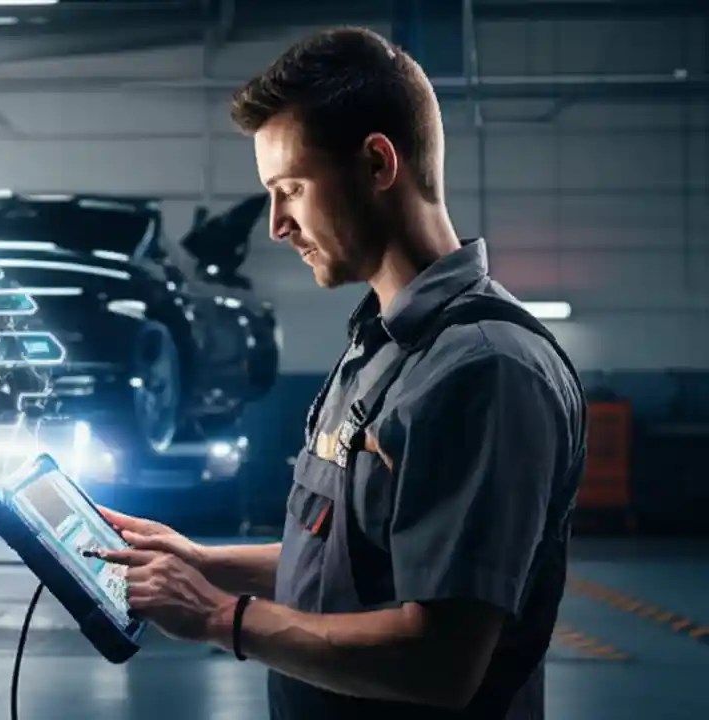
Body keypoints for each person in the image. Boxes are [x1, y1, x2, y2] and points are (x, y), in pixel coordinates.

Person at [92, 27, 587, 720]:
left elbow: (441, 659)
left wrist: (219, 617)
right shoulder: (381, 346)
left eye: (290, 187)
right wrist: (205, 561)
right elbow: (354, 563)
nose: (276, 225)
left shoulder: (482, 369)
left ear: (378, 164)